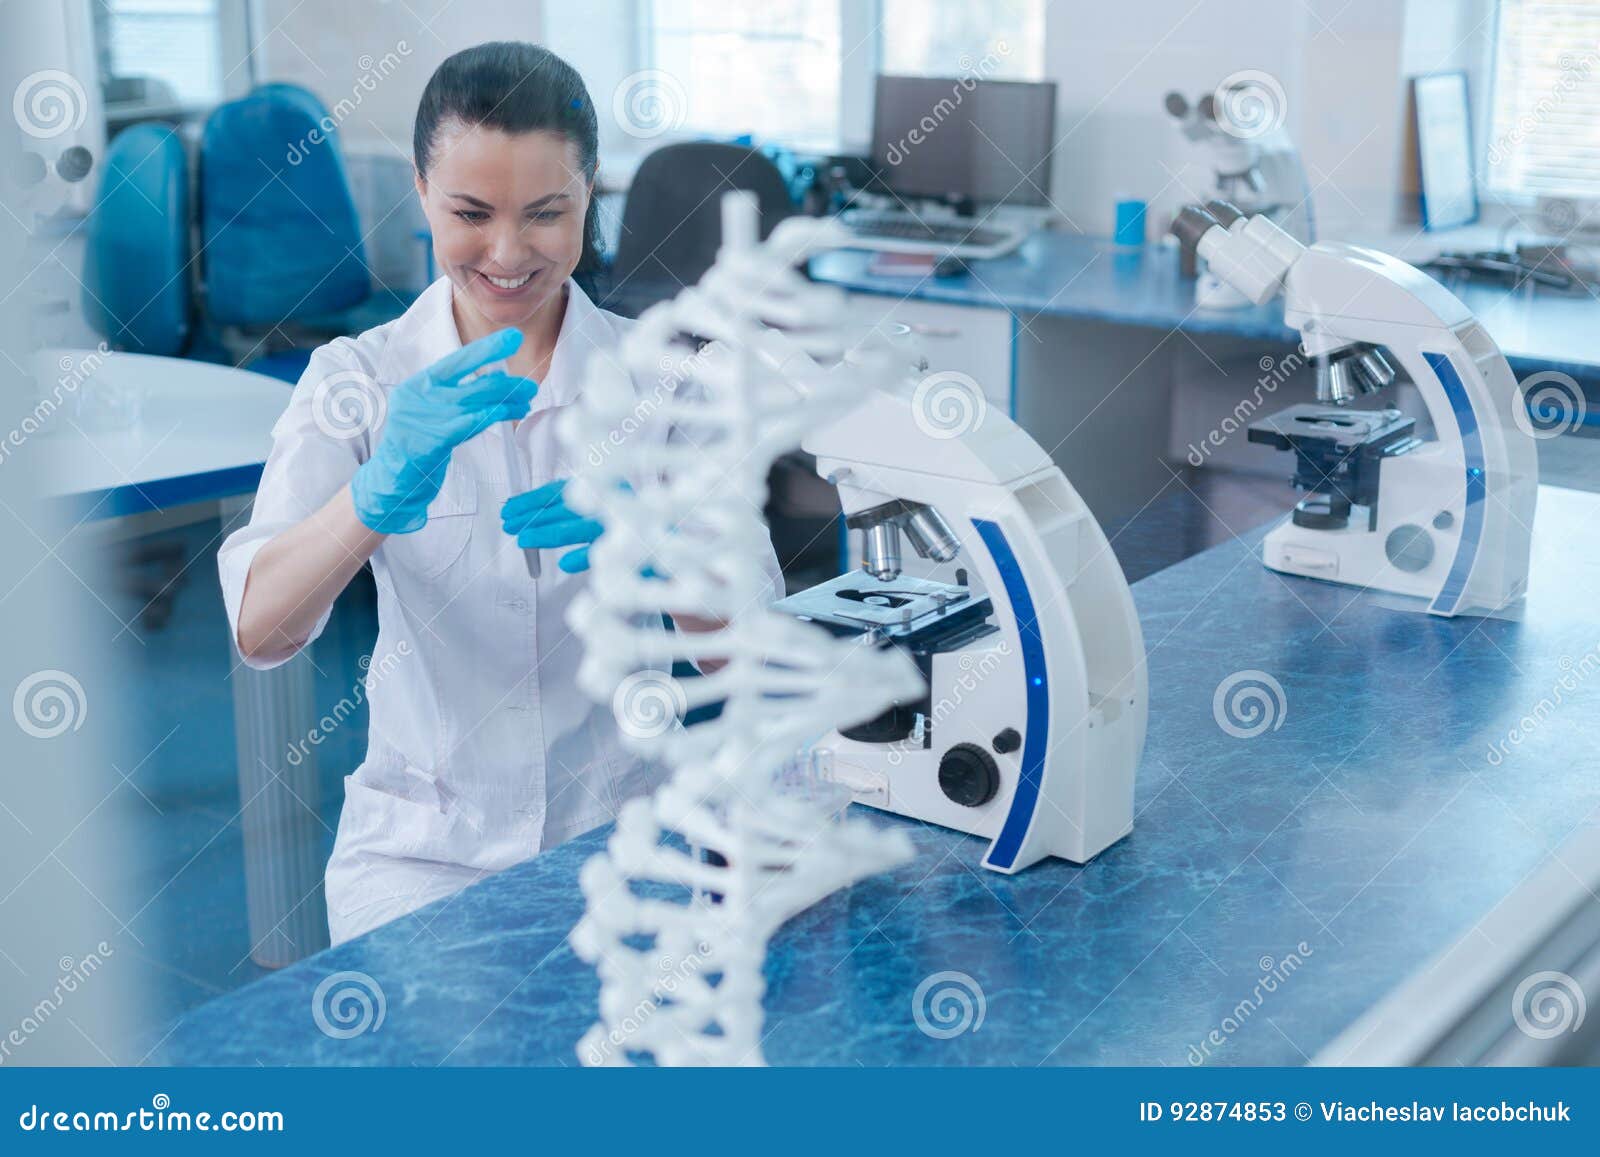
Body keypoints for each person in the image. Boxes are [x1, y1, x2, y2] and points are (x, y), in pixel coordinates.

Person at [218, 41, 779, 944]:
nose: (508, 253)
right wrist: (369, 497)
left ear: (590, 194)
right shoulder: (357, 380)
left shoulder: (671, 385)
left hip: (624, 843)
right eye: (470, 213)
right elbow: (260, 628)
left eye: (546, 214)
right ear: (421, 190)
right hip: (420, 858)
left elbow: (752, 661)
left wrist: (666, 542)